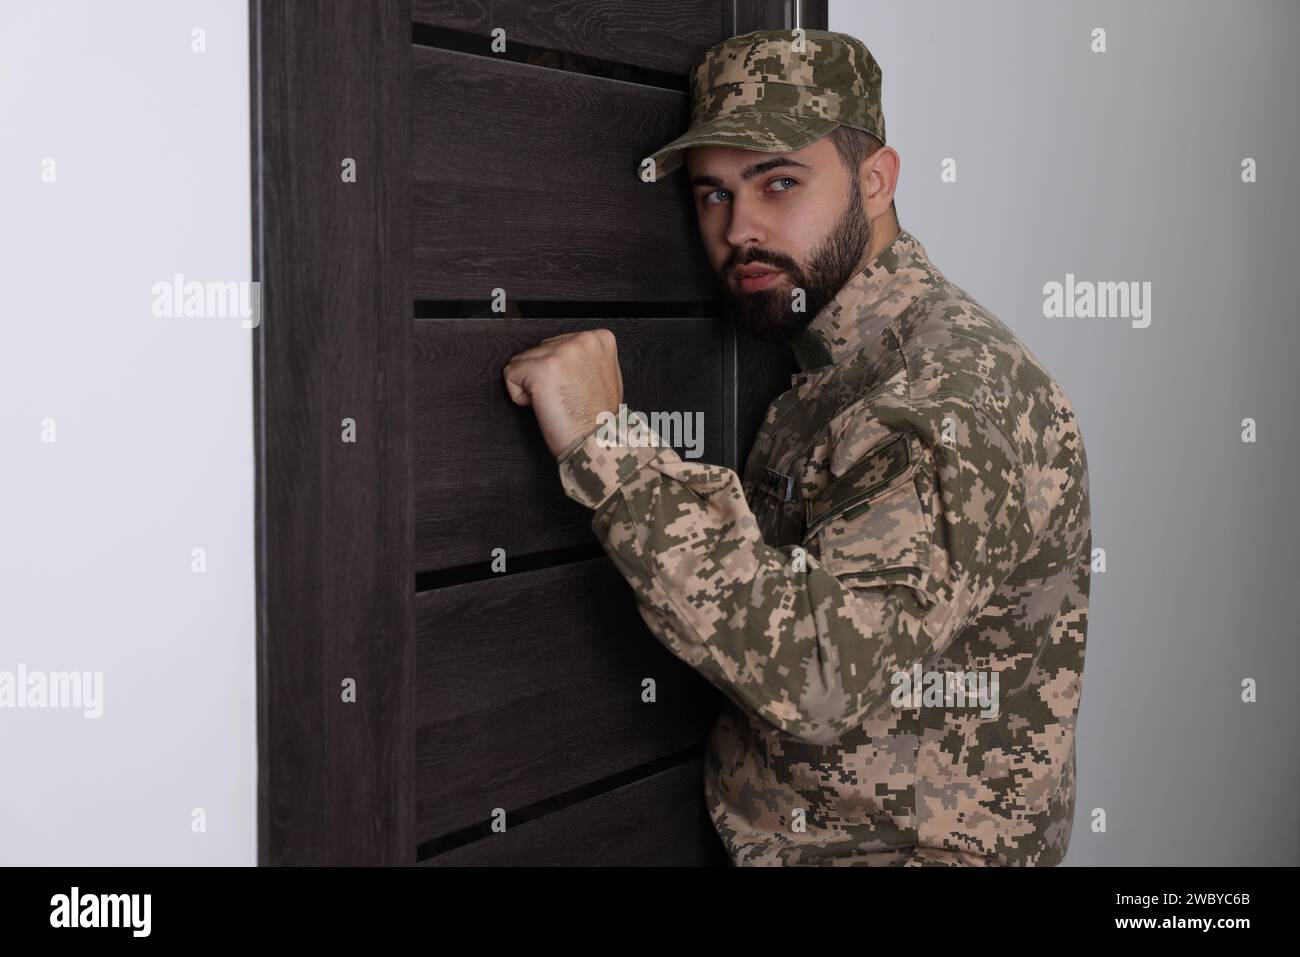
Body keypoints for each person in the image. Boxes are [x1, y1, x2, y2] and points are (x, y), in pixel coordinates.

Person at [502, 29, 1091, 866]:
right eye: (712, 194)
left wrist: (610, 447)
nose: (741, 228)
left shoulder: (947, 397)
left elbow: (824, 674)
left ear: (877, 181)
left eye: (779, 182)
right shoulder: (833, 358)